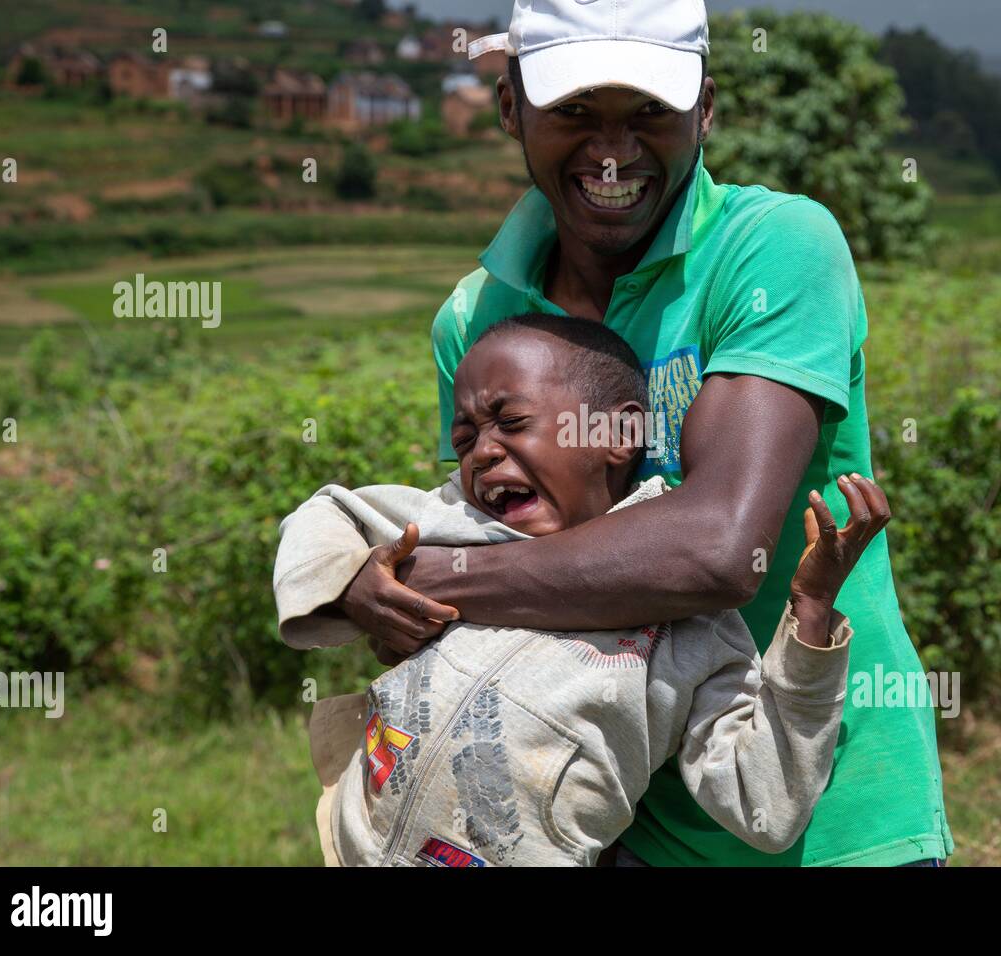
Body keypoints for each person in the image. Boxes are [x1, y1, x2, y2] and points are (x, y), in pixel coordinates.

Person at [280, 0, 953, 867]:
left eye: (648, 113)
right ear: (510, 108)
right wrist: (373, 597)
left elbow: (718, 551)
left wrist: (426, 578)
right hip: (608, 832)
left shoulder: (773, 249)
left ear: (704, 107)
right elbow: (497, 530)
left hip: (830, 821)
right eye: (573, 114)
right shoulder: (477, 320)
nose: (612, 150)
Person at [276, 315, 884, 866]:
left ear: (617, 433)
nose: (482, 454)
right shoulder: (444, 522)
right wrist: (353, 583)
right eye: (464, 441)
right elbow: (323, 514)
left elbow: (765, 804)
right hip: (355, 845)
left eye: (511, 424)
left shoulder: (689, 624)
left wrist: (809, 614)